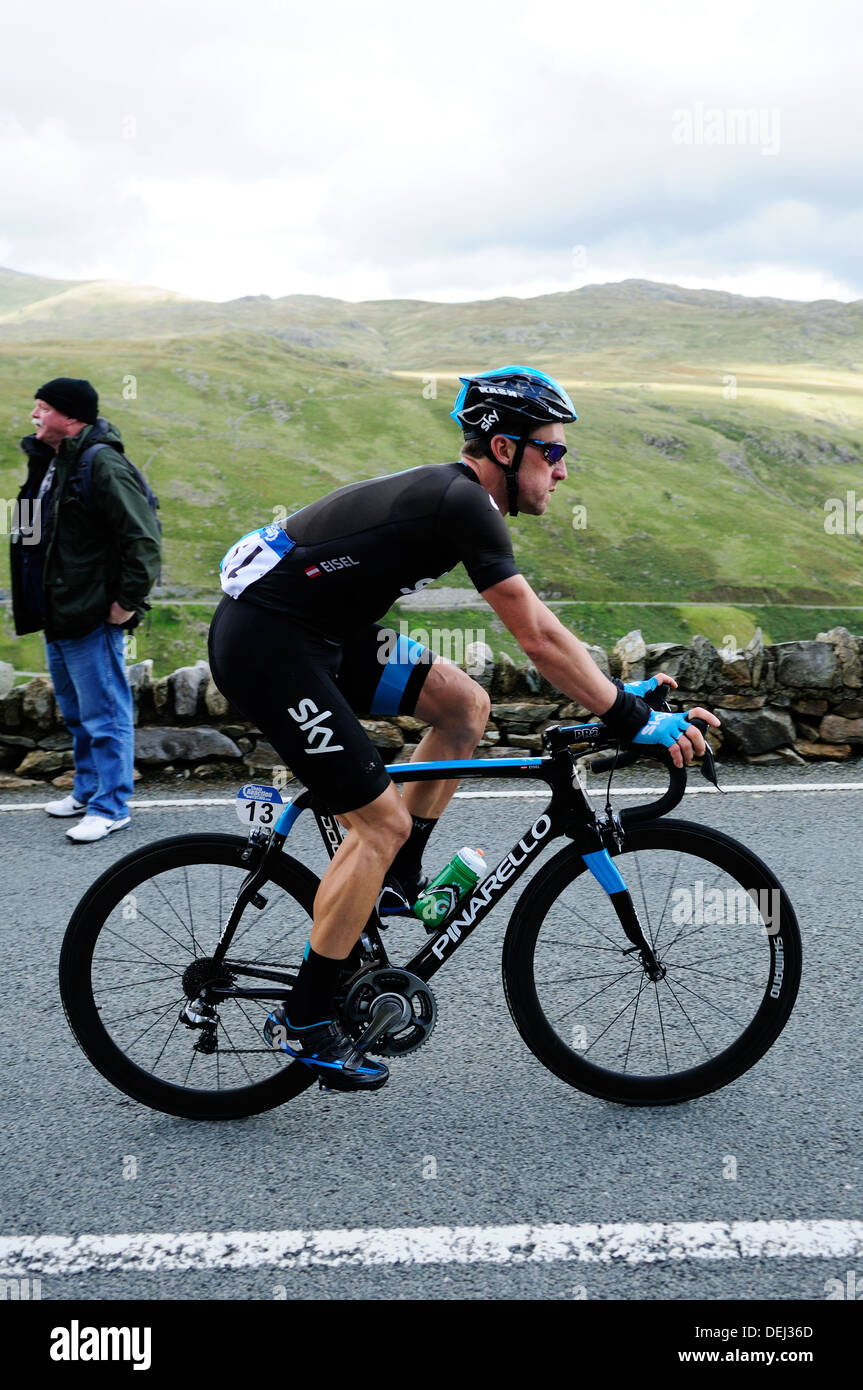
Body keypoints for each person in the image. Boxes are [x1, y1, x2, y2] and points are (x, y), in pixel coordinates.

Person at [208, 365, 720, 1091]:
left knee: (464, 707)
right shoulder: (463, 502)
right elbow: (536, 637)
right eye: (554, 450)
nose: (563, 471)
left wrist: (613, 695)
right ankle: (306, 1015)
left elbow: (543, 630)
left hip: (324, 630)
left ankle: (394, 881)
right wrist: (629, 717)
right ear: (505, 450)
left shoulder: (457, 499)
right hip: (270, 645)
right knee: (376, 823)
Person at [10, 378, 161, 842]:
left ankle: (111, 806)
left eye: (43, 408)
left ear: (71, 417)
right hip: (58, 611)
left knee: (104, 712)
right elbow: (27, 533)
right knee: (77, 712)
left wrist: (125, 604)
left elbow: (143, 538)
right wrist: (36, 464)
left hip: (93, 611)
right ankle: (88, 788)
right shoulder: (53, 464)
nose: (34, 415)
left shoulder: (102, 464)